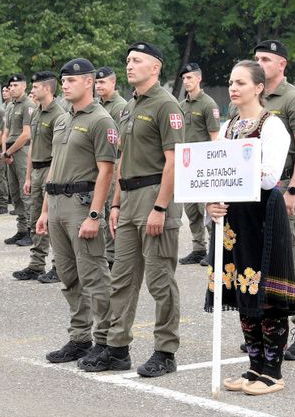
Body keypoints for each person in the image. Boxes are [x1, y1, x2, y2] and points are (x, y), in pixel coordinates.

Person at [83, 42, 184, 377]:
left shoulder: (166, 105)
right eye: (127, 60)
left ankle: (165, 351)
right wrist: (114, 202)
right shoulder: (129, 107)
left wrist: (161, 207)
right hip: (128, 201)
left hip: (156, 196)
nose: (129, 65)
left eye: (137, 61)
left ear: (154, 68)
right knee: (122, 279)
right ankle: (117, 348)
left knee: (159, 280)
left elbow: (173, 161)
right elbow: (122, 157)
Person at [205, 60, 295, 395]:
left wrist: (235, 175)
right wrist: (212, 201)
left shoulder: (272, 126)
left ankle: (272, 371)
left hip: (261, 213)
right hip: (234, 215)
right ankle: (254, 366)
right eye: (231, 82)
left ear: (259, 87)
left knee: (265, 290)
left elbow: (270, 175)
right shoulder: (230, 126)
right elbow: (215, 171)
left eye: (241, 83)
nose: (233, 88)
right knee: (240, 286)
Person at [35, 58, 117, 365]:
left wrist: (95, 216)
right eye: (64, 80)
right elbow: (54, 167)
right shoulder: (62, 119)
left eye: (71, 80)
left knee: (94, 275)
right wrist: (44, 211)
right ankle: (79, 337)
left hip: (81, 204)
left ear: (89, 82)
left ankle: (106, 340)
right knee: (68, 276)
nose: (65, 85)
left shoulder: (101, 120)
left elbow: (106, 171)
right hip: (56, 204)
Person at [254, 40, 295, 361]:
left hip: (287, 186)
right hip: (258, 189)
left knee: (294, 256)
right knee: (263, 257)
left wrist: (293, 190)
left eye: (266, 59)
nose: (260, 63)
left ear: (282, 64)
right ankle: (270, 327)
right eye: (256, 59)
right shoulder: (255, 97)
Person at [16, 71, 66, 281]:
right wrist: (28, 177)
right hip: (36, 169)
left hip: (50, 169)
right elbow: (33, 145)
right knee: (36, 218)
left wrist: (51, 178)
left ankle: (59, 266)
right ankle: (36, 264)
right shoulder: (37, 112)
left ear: (47, 88)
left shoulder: (59, 114)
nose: (32, 91)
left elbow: (59, 152)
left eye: (35, 87)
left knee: (53, 219)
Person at [178, 63, 221, 265]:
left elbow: (215, 137)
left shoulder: (208, 104)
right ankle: (198, 248)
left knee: (207, 209)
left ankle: (214, 250)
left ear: (198, 79)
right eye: (184, 78)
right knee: (191, 210)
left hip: (203, 165)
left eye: (190, 78)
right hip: (187, 165)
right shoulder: (181, 105)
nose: (186, 82)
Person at [95, 67, 127, 266]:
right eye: (96, 83)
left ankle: (113, 256)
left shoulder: (120, 106)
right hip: (98, 162)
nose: (99, 86)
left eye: (103, 82)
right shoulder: (97, 105)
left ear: (113, 83)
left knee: (110, 209)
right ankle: (105, 253)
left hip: (114, 162)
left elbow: (122, 141)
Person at [2, 74, 36, 246]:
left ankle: (32, 230)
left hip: (21, 151)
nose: (12, 88)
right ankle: (22, 229)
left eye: (15, 85)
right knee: (14, 193)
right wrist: (4, 152)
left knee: (26, 192)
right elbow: (5, 131)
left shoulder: (28, 105)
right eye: (10, 86)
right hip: (9, 152)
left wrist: (9, 151)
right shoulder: (9, 106)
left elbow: (26, 134)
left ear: (24, 86)